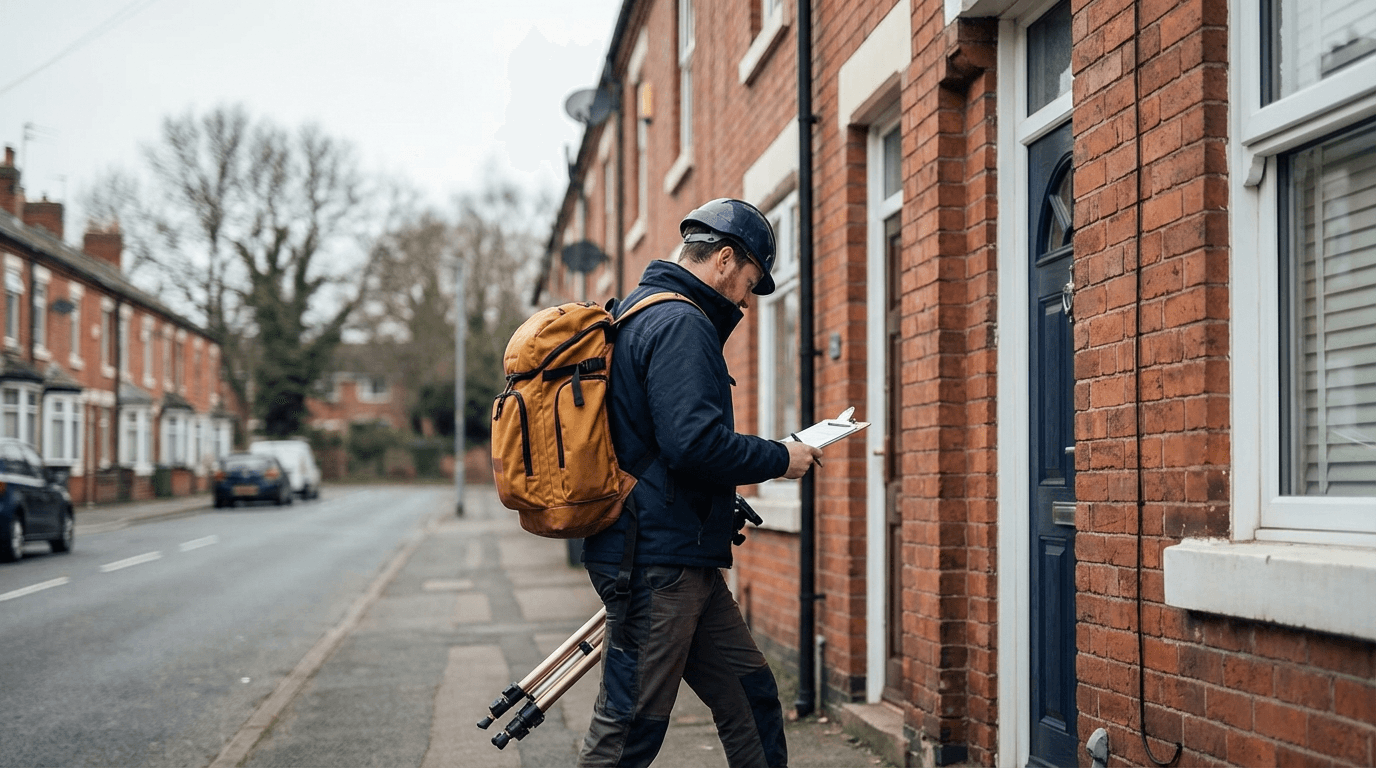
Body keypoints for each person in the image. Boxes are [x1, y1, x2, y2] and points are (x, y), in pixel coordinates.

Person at [578, 198, 822, 768]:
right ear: (725, 259)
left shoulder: (642, 311)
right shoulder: (681, 322)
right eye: (748, 282)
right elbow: (693, 445)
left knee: (751, 694)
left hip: (681, 557)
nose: (744, 298)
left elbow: (659, 447)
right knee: (628, 730)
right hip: (656, 566)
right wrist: (778, 458)